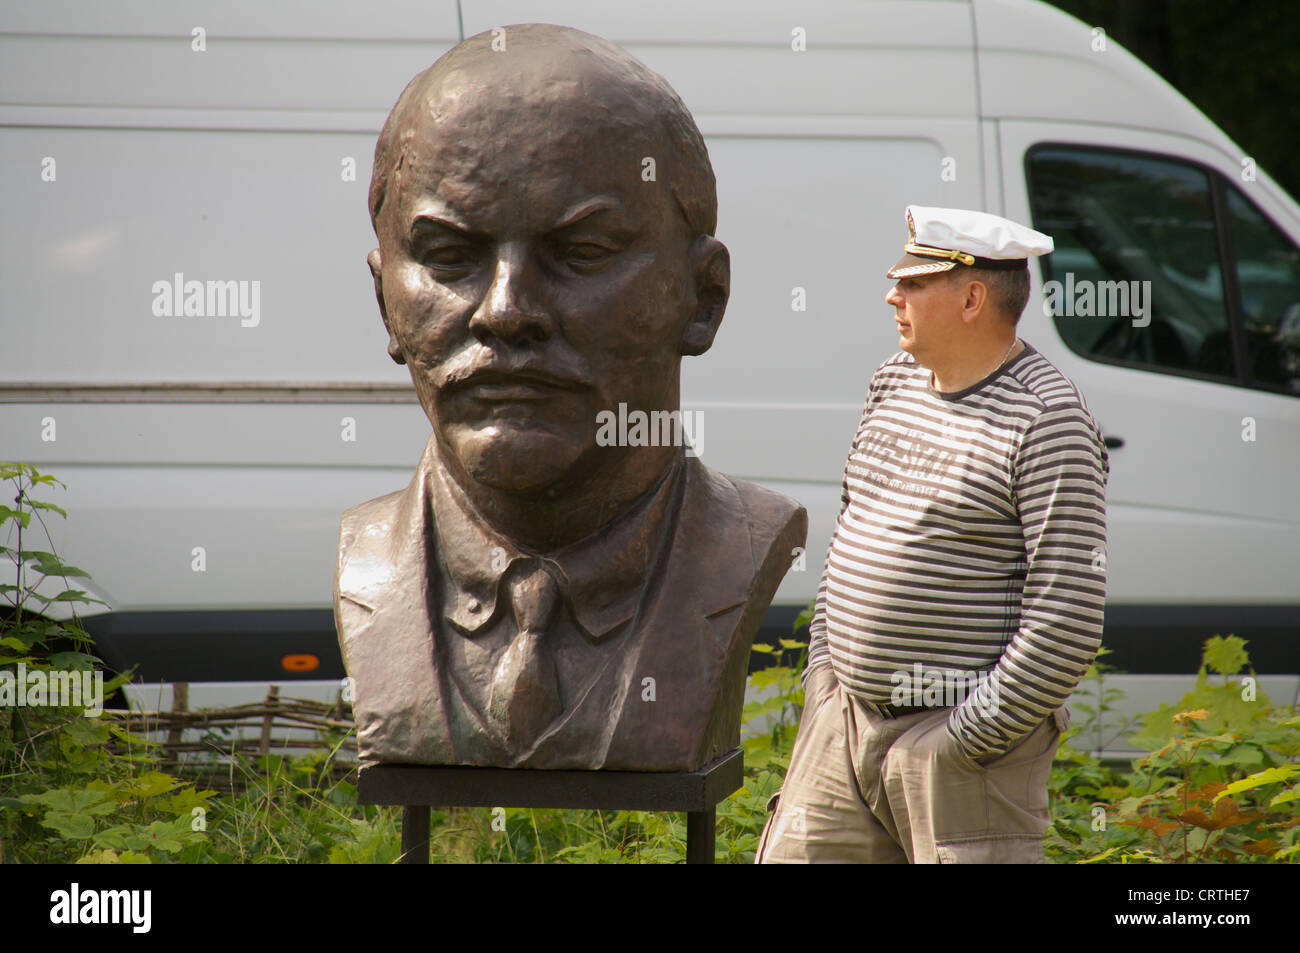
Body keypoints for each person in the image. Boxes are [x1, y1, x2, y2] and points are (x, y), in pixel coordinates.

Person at [334, 24, 806, 772]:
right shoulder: (365, 565)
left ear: (702, 297)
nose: (505, 309)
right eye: (450, 258)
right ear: (385, 303)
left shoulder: (745, 547)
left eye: (582, 254)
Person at [757, 206, 1109, 863]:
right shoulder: (892, 381)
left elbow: (1067, 618)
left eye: (914, 282)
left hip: (953, 752)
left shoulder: (1047, 419)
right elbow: (851, 533)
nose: (893, 294)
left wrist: (964, 740)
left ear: (972, 296)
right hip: (844, 725)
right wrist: (826, 682)